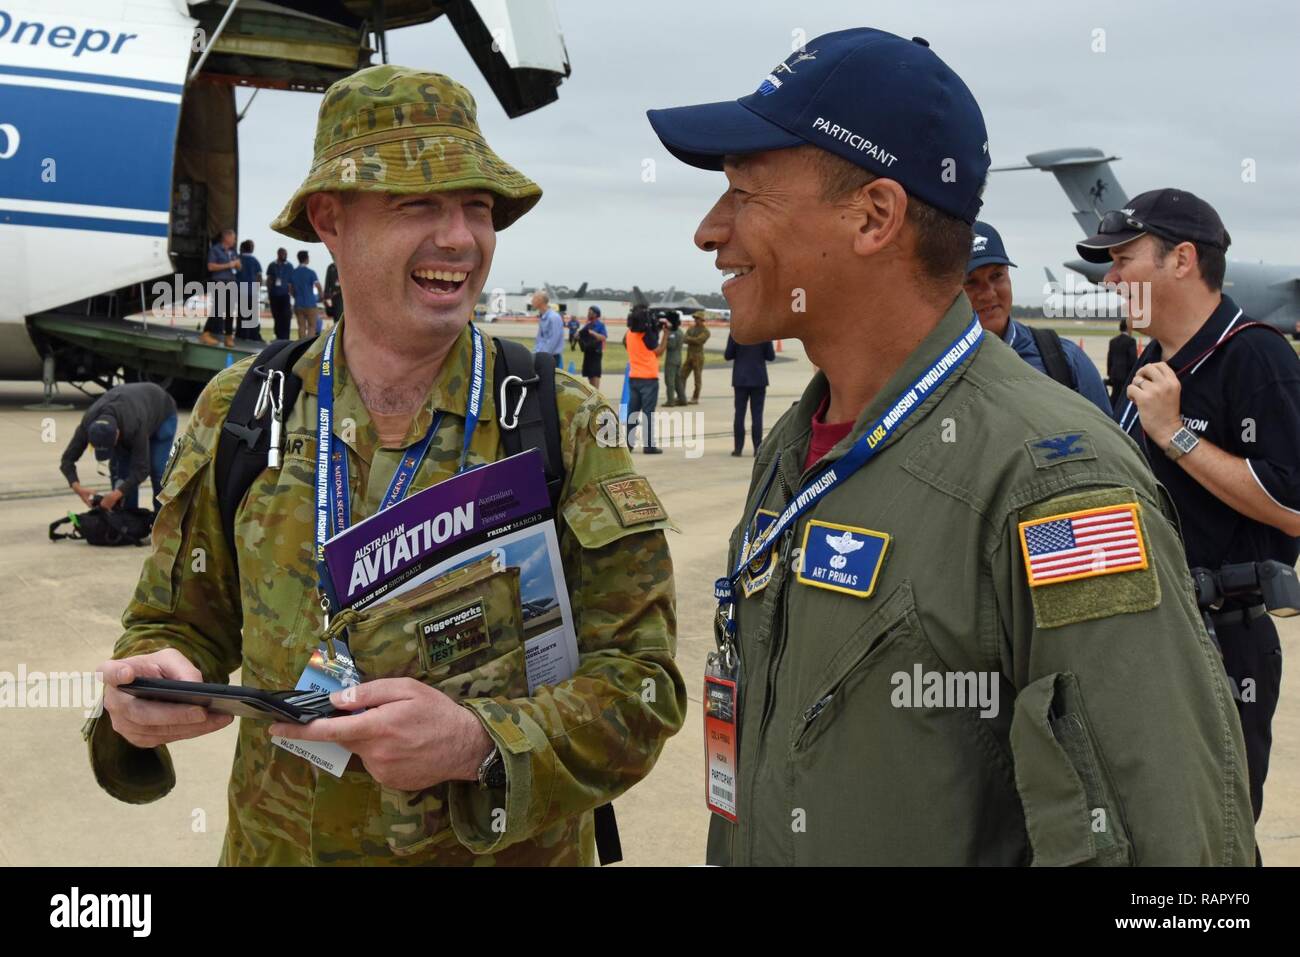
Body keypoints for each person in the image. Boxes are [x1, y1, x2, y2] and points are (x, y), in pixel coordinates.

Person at [648, 27, 1251, 865]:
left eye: (746, 194)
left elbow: (1170, 848)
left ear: (874, 215)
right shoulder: (799, 446)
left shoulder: (1053, 480)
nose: (710, 232)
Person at [85, 65, 686, 867]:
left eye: (478, 207)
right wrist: (155, 680)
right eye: (419, 205)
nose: (461, 238)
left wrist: (479, 742)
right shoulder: (244, 407)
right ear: (330, 220)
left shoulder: (560, 421)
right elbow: (178, 620)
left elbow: (642, 687)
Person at [1080, 187, 1300, 828]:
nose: (1111, 276)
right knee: (1153, 832)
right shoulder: (1151, 362)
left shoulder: (1254, 357)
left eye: (1123, 259)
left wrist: (1178, 436)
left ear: (1180, 260)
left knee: (1214, 833)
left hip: (1222, 644)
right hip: (1144, 634)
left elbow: (1294, 508)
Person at [963, 222, 1110, 414]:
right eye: (971, 282)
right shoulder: (932, 366)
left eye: (997, 275)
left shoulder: (1064, 360)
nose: (988, 293)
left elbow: (1107, 439)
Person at [60, 382, 177, 512]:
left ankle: (164, 522)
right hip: (137, 409)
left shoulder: (133, 424)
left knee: (158, 471)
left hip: (162, 411)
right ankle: (128, 520)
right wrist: (77, 488)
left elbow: (142, 469)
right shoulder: (87, 424)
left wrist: (115, 495)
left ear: (117, 434)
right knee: (121, 472)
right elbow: (67, 460)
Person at [624, 304, 667, 453]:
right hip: (648, 378)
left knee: (632, 413)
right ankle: (649, 445)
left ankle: (629, 444)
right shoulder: (646, 335)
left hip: (634, 377)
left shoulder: (629, 334)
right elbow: (659, 351)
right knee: (648, 413)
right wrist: (665, 334)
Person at [724, 334, 775, 455]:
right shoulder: (763, 333)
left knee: (739, 414)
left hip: (740, 379)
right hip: (759, 378)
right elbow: (771, 356)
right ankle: (757, 447)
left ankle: (738, 448)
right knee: (757, 415)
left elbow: (728, 355)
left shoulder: (736, 333)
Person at [200, 228, 240, 347]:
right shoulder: (215, 250)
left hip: (231, 282)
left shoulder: (233, 252)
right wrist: (229, 265)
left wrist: (238, 265)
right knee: (218, 309)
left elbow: (238, 266)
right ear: (226, 238)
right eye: (233, 238)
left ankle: (228, 336)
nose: (234, 240)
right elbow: (211, 267)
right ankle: (206, 334)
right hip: (219, 282)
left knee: (229, 311)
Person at [1106, 318, 1139, 411]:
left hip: (1114, 374)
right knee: (1124, 399)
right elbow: (1133, 360)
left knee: (1114, 397)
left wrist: (1110, 373)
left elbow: (1110, 359)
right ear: (1128, 328)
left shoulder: (1113, 341)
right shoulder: (1131, 341)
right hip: (1125, 375)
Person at [234, 239, 263, 342]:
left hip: (240, 289)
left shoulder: (237, 259)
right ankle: (253, 336)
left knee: (242, 315)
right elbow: (259, 276)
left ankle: (241, 336)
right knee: (252, 315)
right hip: (252, 290)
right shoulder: (255, 261)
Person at [681, 310, 711, 404]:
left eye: (697, 318)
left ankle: (695, 398)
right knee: (682, 376)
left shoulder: (706, 331)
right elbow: (684, 339)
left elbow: (699, 340)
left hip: (698, 357)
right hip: (689, 356)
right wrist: (691, 339)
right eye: (695, 318)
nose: (696, 320)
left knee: (697, 379)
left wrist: (689, 339)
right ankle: (681, 396)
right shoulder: (691, 329)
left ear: (702, 320)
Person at [290, 250, 321, 339]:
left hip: (298, 303)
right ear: (306, 259)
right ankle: (308, 346)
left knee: (301, 326)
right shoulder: (311, 272)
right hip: (310, 303)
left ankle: (301, 345)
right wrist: (321, 296)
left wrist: (295, 296)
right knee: (312, 326)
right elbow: (318, 285)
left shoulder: (294, 272)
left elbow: (290, 288)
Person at [265, 247, 295, 341]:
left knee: (286, 316)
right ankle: (278, 336)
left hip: (285, 295)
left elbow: (291, 282)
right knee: (276, 316)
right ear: (278, 254)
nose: (285, 256)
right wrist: (269, 293)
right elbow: (269, 280)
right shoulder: (272, 265)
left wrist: (292, 295)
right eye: (283, 254)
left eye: (286, 254)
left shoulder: (289, 266)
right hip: (274, 295)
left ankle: (285, 337)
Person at [578, 305, 607, 389]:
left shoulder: (600, 325)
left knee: (595, 374)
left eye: (590, 312)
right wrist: (578, 335)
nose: (588, 314)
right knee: (590, 374)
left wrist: (593, 333)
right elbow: (582, 333)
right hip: (588, 352)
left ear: (595, 314)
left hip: (596, 353)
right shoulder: (588, 325)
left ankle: (596, 394)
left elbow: (603, 337)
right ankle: (592, 393)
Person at [531, 291, 564, 361]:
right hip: (542, 355)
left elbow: (553, 341)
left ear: (540, 300)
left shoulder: (553, 317)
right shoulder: (543, 317)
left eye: (534, 298)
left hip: (550, 358)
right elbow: (539, 339)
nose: (531, 301)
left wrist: (542, 357)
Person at [662, 311, 685, 406]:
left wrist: (665, 337)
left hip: (671, 359)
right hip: (678, 358)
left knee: (669, 381)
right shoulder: (680, 331)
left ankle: (670, 400)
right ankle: (682, 399)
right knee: (677, 381)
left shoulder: (673, 333)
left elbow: (671, 345)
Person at [323, 260, 344, 325]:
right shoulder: (331, 267)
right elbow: (327, 284)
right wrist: (326, 297)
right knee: (337, 319)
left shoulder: (346, 266)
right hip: (335, 298)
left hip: (343, 297)